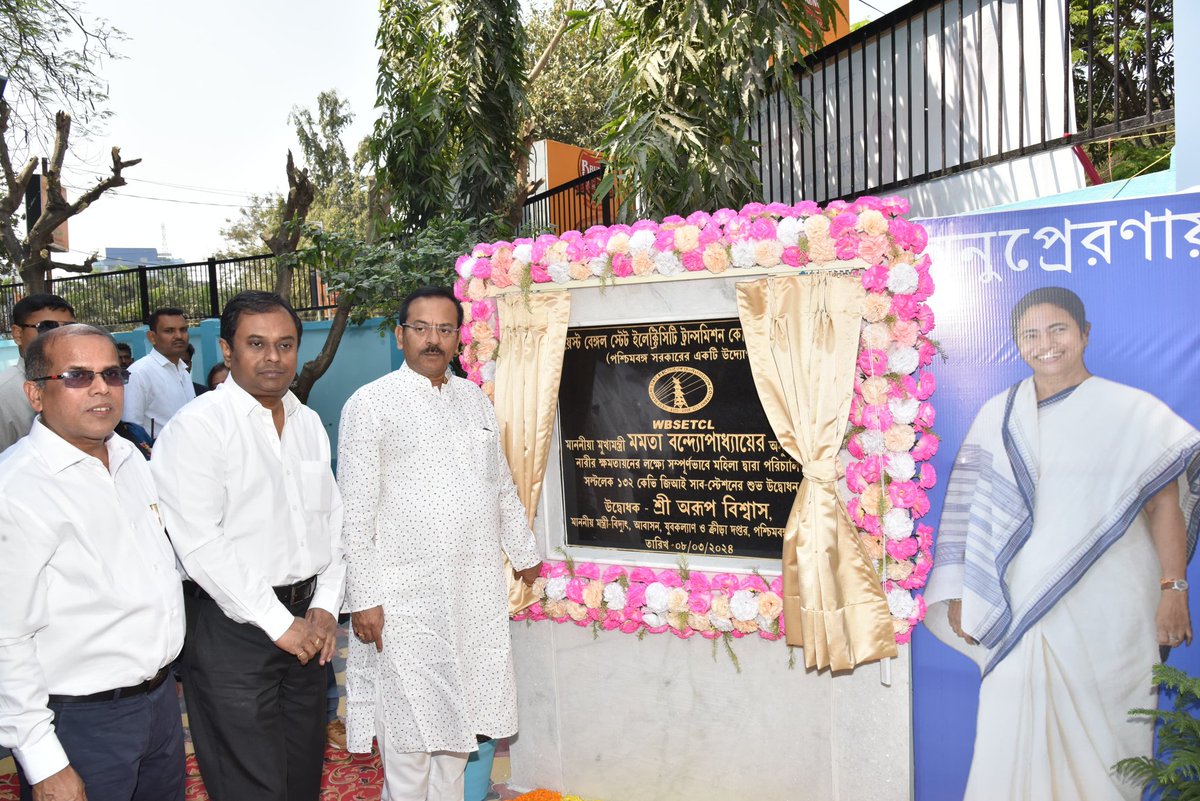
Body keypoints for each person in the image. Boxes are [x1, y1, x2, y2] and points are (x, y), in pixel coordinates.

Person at [924, 286, 1200, 801]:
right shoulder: (999, 415)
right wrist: (961, 586)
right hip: (1020, 602)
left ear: (1084, 334)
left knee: (1109, 740)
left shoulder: (1132, 411)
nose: (1045, 344)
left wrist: (1174, 589)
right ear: (1016, 343)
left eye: (1058, 330)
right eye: (1030, 334)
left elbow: (1164, 505)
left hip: (1114, 609)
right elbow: (966, 508)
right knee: (1009, 732)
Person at [339, 286, 541, 801]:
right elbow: (355, 511)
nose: (433, 339)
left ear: (458, 338)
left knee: (457, 742)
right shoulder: (370, 404)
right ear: (400, 334)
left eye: (445, 329)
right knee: (409, 747)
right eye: (422, 328)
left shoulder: (473, 399)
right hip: (404, 603)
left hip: (472, 595)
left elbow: (498, 484)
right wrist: (363, 598)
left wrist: (525, 555)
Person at [151, 291, 345, 801]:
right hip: (231, 630)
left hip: (307, 628)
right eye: (256, 343)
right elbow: (200, 544)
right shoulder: (196, 429)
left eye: (284, 344)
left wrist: (325, 605)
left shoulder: (306, 423)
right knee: (249, 785)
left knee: (302, 775)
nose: (273, 357)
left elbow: (332, 522)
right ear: (226, 350)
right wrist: (280, 624)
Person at [0, 324, 185, 801]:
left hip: (160, 705)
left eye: (113, 374)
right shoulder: (16, 490)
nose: (102, 387)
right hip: (80, 724)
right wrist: (44, 761)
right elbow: (6, 638)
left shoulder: (130, 459)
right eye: (78, 376)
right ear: (35, 394)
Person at [0, 293, 75, 451]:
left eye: (69, 328)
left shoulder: (87, 382)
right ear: (17, 334)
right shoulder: (5, 394)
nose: (60, 336)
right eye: (47, 327)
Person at [123, 306, 195, 438]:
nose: (179, 336)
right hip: (157, 454)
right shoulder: (139, 373)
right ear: (152, 337)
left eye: (183, 330)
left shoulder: (183, 370)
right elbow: (131, 428)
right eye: (169, 331)